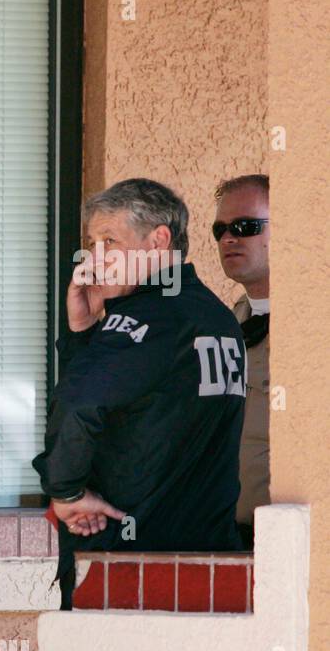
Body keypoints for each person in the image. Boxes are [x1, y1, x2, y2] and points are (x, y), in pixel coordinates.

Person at [33, 177, 247, 555]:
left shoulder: (151, 317)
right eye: (92, 245)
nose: (95, 259)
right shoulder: (215, 315)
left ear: (158, 241)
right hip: (210, 552)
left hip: (134, 555)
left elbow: (77, 402)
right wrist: (82, 332)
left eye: (109, 242)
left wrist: (65, 491)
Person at [213, 173, 270, 548]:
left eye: (246, 226)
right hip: (229, 535)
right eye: (220, 229)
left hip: (294, 539)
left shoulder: (313, 329)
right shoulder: (227, 322)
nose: (229, 238)